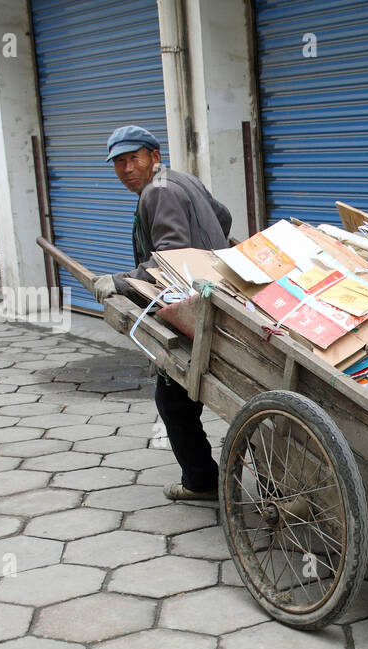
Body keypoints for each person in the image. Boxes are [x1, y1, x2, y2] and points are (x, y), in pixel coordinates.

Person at [93, 125, 231, 502]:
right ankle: (202, 476)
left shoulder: (158, 192)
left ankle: (201, 481)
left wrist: (121, 282)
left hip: (195, 310)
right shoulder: (181, 180)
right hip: (215, 296)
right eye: (118, 163)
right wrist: (211, 253)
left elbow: (167, 259)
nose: (125, 169)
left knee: (172, 400)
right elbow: (224, 216)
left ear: (154, 156)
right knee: (176, 399)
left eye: (133, 158)